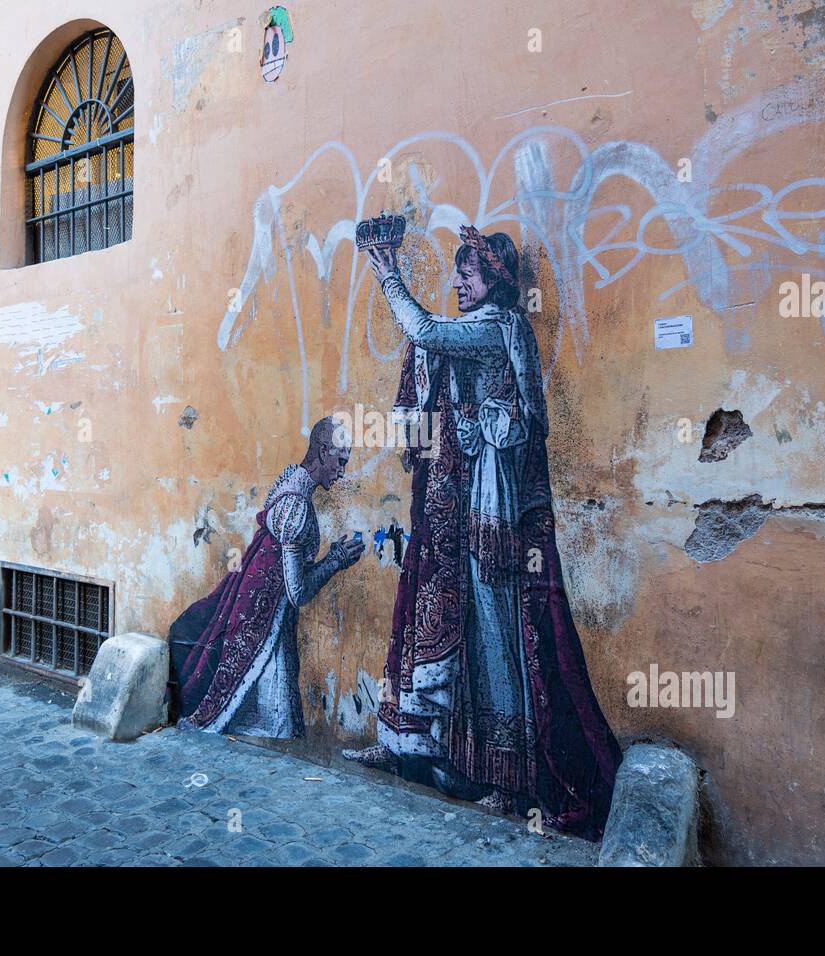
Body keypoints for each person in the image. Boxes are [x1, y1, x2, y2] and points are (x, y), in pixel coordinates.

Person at [344, 227, 623, 839]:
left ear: (493, 279)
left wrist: (386, 271)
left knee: (500, 643)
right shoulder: (494, 328)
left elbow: (426, 331)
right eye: (458, 274)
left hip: (497, 519)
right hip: (471, 511)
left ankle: (511, 779)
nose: (458, 283)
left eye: (466, 274)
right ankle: (460, 761)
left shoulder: (500, 326)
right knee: (471, 636)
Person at [172, 417, 364, 738]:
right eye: (340, 461)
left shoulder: (290, 480)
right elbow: (297, 593)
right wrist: (335, 560)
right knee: (279, 723)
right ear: (321, 452)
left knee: (273, 721)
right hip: (264, 626)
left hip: (261, 612)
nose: (342, 471)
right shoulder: (296, 507)